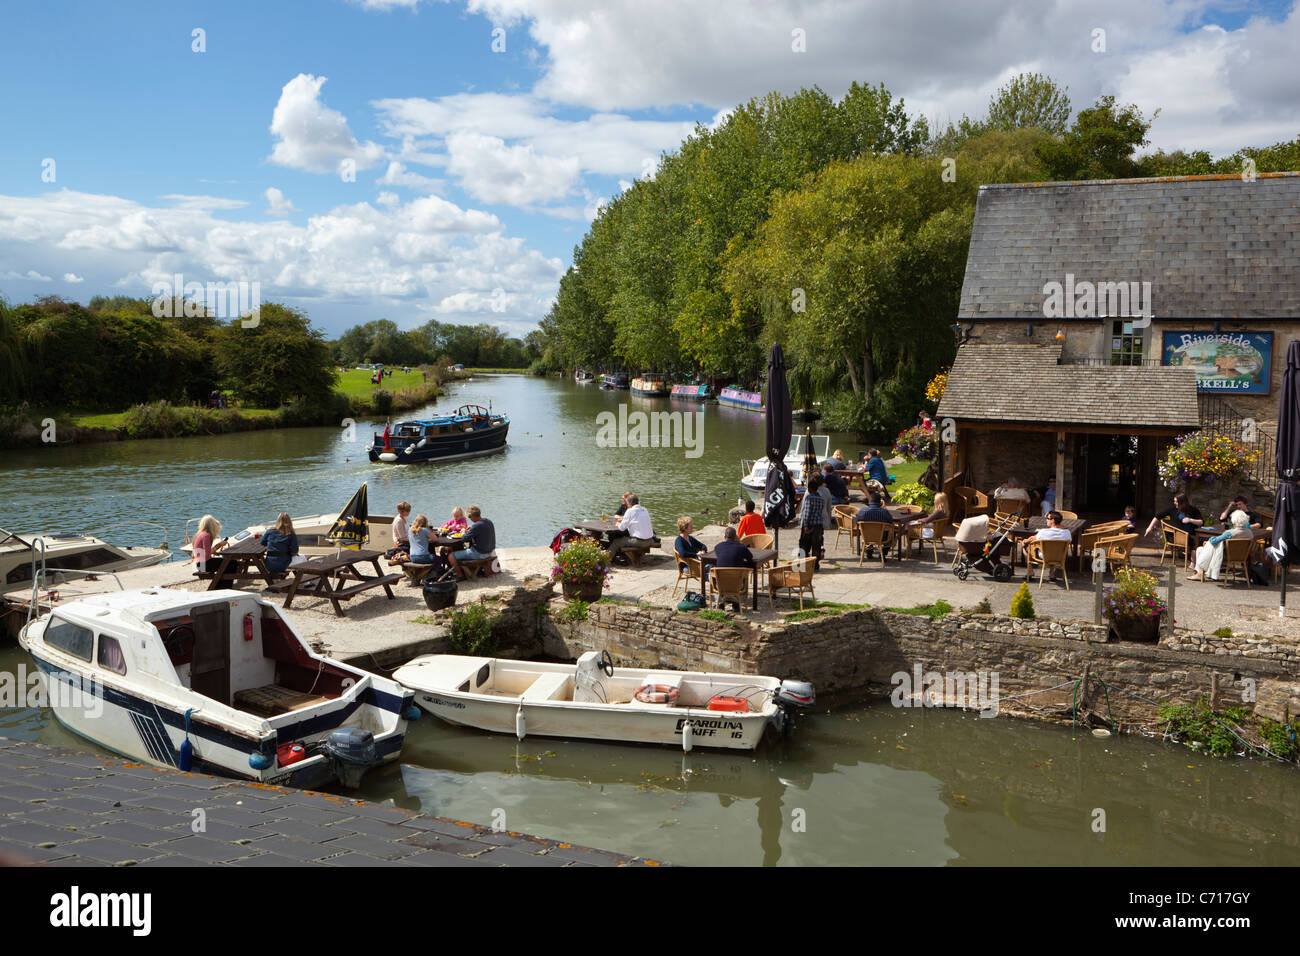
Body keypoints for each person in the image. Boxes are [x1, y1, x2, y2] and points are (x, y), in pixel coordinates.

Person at [1189, 510, 1253, 581]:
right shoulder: (1250, 533)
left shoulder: (1229, 533)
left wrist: (1211, 538)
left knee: (1201, 549)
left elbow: (1214, 541)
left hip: (1226, 556)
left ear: (1234, 521)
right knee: (1203, 549)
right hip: (1243, 556)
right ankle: (1206, 573)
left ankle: (1200, 573)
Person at [1144, 493, 1204, 567]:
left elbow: (1201, 522)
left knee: (1201, 540)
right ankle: (1193, 563)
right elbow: (1157, 516)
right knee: (1196, 540)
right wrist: (1149, 527)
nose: (1174, 503)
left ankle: (1199, 564)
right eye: (1174, 501)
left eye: (1176, 501)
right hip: (1175, 536)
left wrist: (1190, 520)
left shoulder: (1193, 510)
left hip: (1190, 535)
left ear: (1183, 502)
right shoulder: (1172, 509)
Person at [447, 505, 497, 577]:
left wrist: (464, 532)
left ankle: (459, 575)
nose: (469, 519)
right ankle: (467, 570)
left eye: (469, 517)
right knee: (466, 548)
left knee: (451, 556)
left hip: (480, 554)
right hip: (490, 552)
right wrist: (472, 528)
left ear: (472, 516)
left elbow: (464, 539)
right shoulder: (489, 521)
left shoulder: (476, 526)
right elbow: (481, 530)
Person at [609, 494, 653, 564]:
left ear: (629, 504)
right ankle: (624, 557)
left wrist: (618, 524)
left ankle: (605, 561)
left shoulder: (630, 511)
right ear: (638, 502)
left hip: (640, 541)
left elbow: (622, 528)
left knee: (616, 542)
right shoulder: (645, 509)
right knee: (624, 538)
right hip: (650, 540)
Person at [1030, 509, 1073, 581]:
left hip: (1045, 556)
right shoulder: (1067, 532)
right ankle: (1051, 573)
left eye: (1048, 518)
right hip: (1060, 557)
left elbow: (1032, 539)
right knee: (1054, 549)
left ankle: (1030, 571)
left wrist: (1025, 541)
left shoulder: (1043, 532)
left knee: (1027, 546)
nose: (1046, 520)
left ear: (1052, 520)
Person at [797, 473, 827, 568]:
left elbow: (807, 513)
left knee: (804, 544)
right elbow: (820, 511)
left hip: (809, 524)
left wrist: (805, 526)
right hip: (818, 525)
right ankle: (815, 564)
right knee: (816, 545)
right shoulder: (821, 499)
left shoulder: (809, 498)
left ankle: (803, 563)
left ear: (809, 489)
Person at [855, 494, 895, 558]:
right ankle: (883, 554)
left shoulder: (862, 511)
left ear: (870, 500)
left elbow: (857, 520)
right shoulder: (884, 512)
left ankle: (869, 552)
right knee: (893, 533)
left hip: (866, 536)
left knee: (868, 531)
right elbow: (891, 521)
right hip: (882, 537)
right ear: (880, 501)